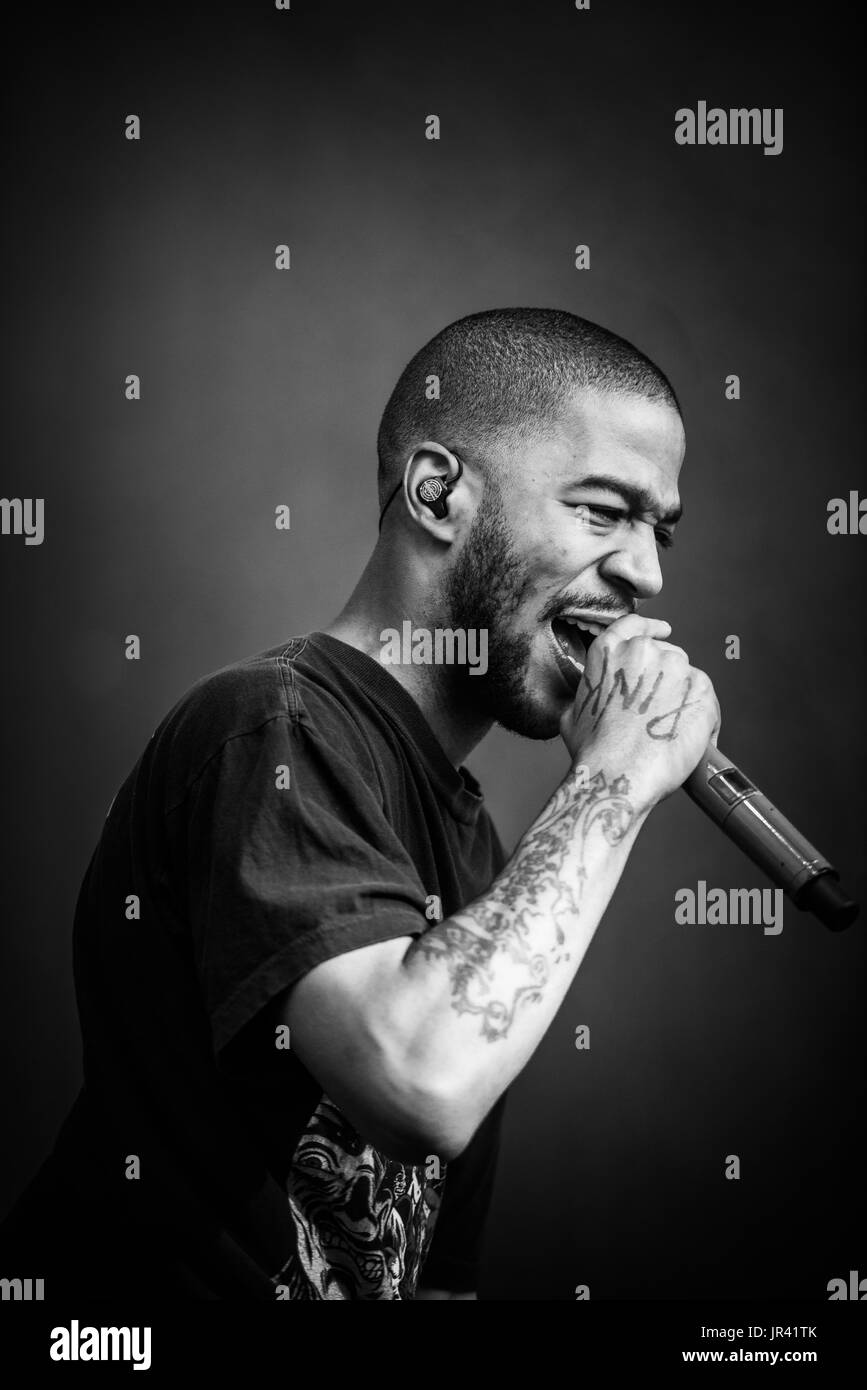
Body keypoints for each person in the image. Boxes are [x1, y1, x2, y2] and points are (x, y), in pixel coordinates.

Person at [0, 307, 720, 1301]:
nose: (645, 571)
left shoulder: (482, 851)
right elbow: (419, 1077)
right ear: (439, 494)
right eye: (604, 511)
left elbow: (432, 1279)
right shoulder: (270, 727)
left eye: (659, 529)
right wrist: (616, 776)